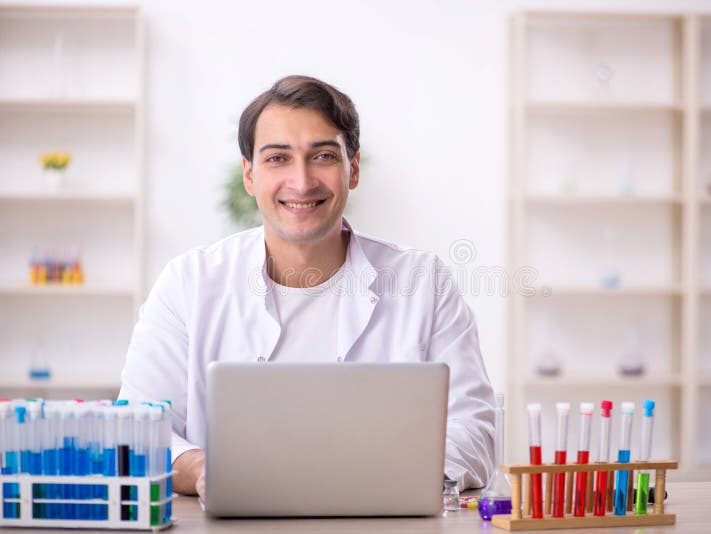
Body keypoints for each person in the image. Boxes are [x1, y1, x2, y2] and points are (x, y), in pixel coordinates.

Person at [118, 75, 495, 500]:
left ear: (353, 169)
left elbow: (474, 430)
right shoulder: (187, 283)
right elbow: (138, 427)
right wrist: (205, 470)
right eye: (278, 158)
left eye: (323, 156)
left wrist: (370, 479)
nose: (301, 181)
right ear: (249, 175)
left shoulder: (424, 283)